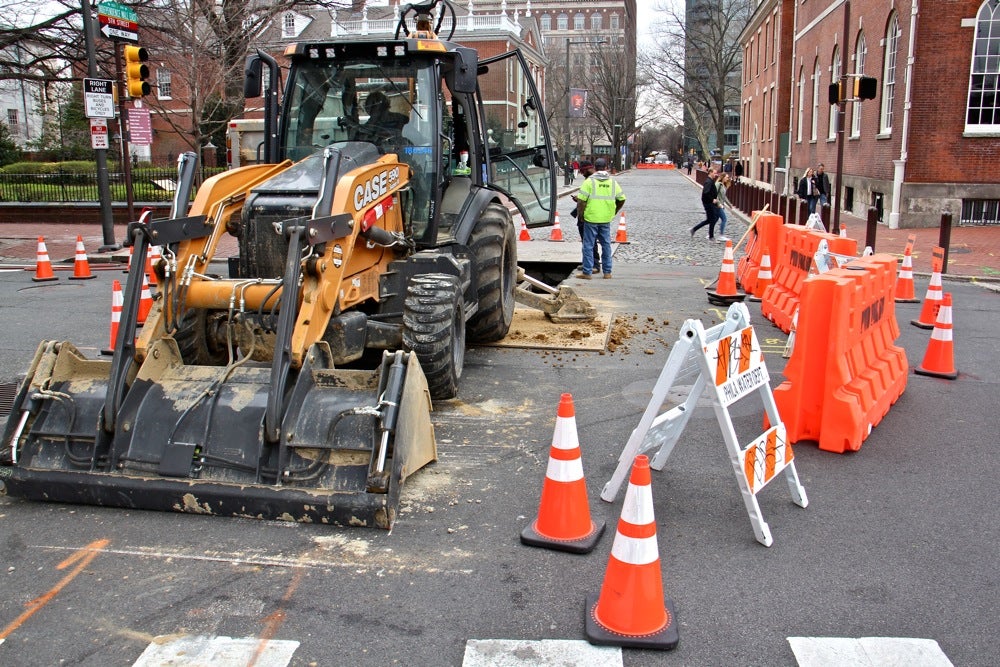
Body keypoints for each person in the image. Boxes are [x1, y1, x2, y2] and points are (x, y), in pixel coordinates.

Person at [575, 157, 625, 279]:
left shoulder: (589, 182)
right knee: (606, 245)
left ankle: (587, 272)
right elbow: (621, 199)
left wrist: (581, 216)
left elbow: (581, 201)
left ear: (595, 168)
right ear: (605, 167)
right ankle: (607, 272)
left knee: (588, 245)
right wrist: (613, 212)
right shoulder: (613, 182)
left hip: (591, 218)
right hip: (605, 219)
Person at [570, 160, 600, 270]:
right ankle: (588, 263)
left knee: (589, 242)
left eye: (583, 171)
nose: (582, 174)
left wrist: (581, 216)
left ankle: (593, 264)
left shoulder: (590, 181)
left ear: (588, 169)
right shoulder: (593, 180)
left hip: (588, 215)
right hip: (591, 214)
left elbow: (588, 199)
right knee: (588, 242)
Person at [690, 168, 720, 241]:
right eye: (714, 173)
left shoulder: (710, 181)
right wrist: (712, 199)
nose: (715, 175)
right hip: (709, 203)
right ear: (710, 172)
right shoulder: (708, 182)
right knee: (712, 219)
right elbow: (706, 193)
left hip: (709, 203)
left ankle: (694, 229)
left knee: (709, 220)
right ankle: (711, 236)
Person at [716, 172, 733, 241]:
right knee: (724, 219)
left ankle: (710, 234)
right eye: (726, 177)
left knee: (714, 220)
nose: (727, 178)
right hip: (718, 206)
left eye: (728, 177)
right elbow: (714, 194)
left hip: (721, 205)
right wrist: (718, 204)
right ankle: (721, 235)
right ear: (722, 177)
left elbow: (724, 197)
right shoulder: (718, 184)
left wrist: (729, 204)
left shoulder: (723, 185)